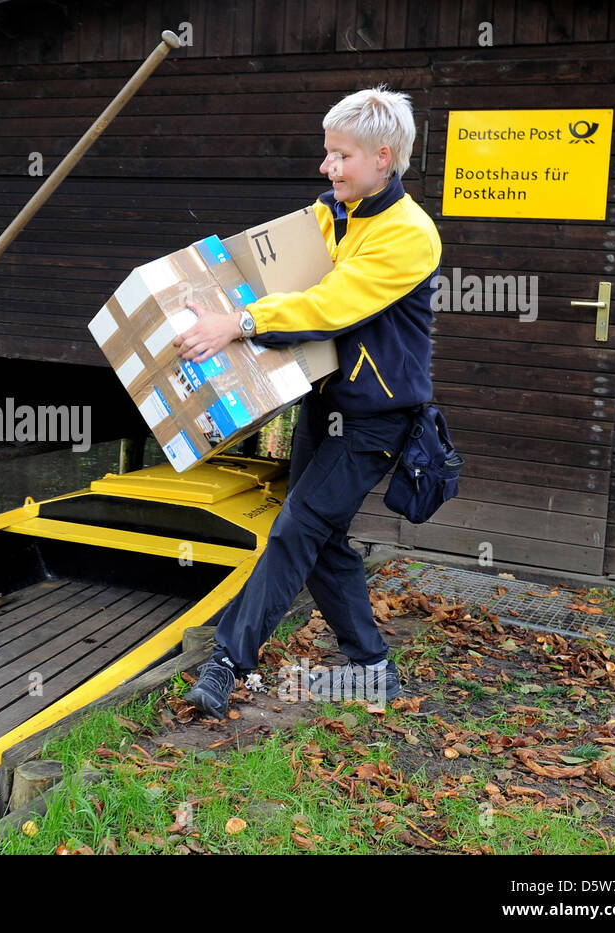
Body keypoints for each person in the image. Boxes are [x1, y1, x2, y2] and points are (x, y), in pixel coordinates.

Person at [172, 86, 442, 717]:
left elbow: (330, 305)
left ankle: (226, 664)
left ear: (383, 158)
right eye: (327, 155)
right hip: (325, 402)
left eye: (340, 156)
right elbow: (271, 271)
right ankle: (373, 667)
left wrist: (236, 324)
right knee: (320, 537)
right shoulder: (331, 215)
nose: (327, 167)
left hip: (378, 415)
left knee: (298, 527)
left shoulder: (409, 234)